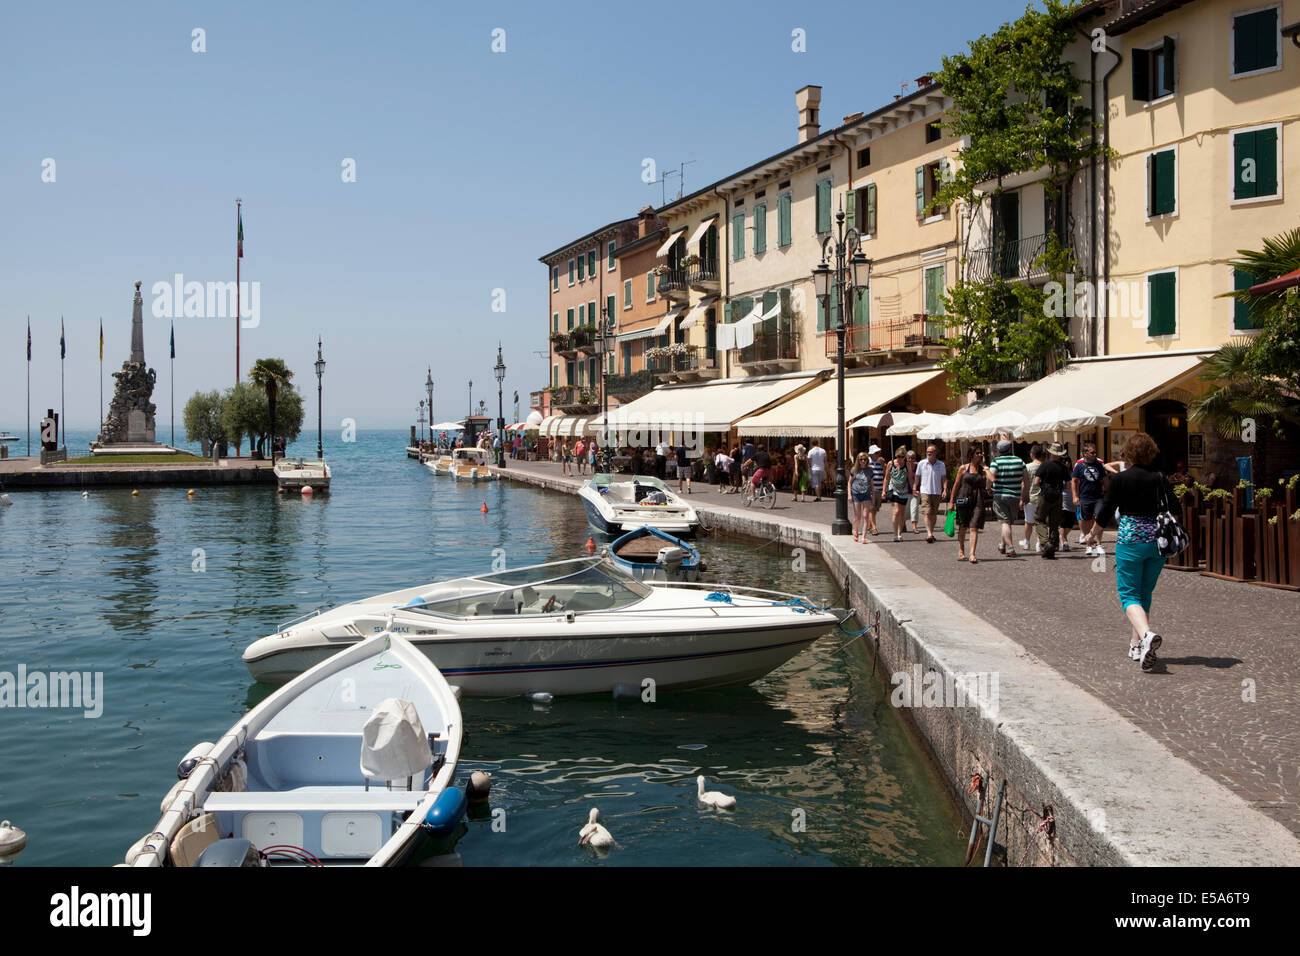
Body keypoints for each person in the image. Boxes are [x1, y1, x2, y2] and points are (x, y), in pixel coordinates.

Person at [1086, 432, 1173, 672]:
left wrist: (1092, 534)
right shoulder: (1159, 478)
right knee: (1144, 593)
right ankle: (1137, 645)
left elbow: (1105, 511)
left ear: (1129, 453)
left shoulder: (1121, 479)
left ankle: (1145, 635)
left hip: (1131, 540)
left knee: (1128, 595)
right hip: (1157, 543)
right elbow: (1175, 508)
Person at [988, 439, 1028, 557]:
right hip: (1015, 496)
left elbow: (991, 477)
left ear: (999, 450)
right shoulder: (1020, 461)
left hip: (1000, 495)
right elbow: (1026, 480)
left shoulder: (996, 462)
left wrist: (988, 487)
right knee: (1007, 522)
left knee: (1005, 522)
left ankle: (1010, 548)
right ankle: (1002, 545)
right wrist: (1025, 495)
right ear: (1010, 449)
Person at [949, 446, 988, 563]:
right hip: (963, 498)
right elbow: (956, 485)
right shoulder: (963, 468)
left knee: (974, 526)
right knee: (963, 526)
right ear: (971, 455)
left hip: (978, 500)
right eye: (977, 453)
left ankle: (972, 554)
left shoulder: (983, 469)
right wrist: (951, 501)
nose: (979, 455)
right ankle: (961, 549)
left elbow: (991, 479)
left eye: (980, 453)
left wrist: (986, 469)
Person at [1033, 442, 1071, 558]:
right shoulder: (1063, 467)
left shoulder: (1044, 465)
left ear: (1050, 453)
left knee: (1039, 519)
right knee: (1054, 523)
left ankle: (1045, 542)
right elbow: (1067, 486)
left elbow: (1036, 482)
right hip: (1058, 496)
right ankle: (1053, 546)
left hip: (1045, 495)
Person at [1072, 441, 1109, 556]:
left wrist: (1107, 489)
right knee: (1086, 520)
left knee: (1099, 518)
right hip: (1085, 497)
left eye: (1095, 453)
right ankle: (1089, 544)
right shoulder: (1079, 466)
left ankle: (1099, 544)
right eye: (1092, 453)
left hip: (1098, 496)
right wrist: (1075, 496)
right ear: (1085, 453)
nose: (1094, 455)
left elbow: (1104, 478)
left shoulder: (1099, 465)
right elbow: (1074, 481)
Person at [913, 444, 947, 543]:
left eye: (931, 452)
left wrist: (945, 489)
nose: (928, 453)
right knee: (927, 512)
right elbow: (917, 476)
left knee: (934, 513)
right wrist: (915, 487)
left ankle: (931, 532)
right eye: (927, 452)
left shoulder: (941, 464)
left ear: (936, 453)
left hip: (936, 491)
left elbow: (944, 478)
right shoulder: (921, 463)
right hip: (925, 491)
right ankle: (929, 533)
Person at [883, 447, 912, 541]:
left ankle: (900, 533)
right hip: (894, 489)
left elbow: (910, 478)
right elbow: (886, 478)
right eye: (898, 456)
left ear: (905, 457)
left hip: (904, 490)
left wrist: (914, 488)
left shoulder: (907, 465)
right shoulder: (891, 464)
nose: (899, 458)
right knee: (896, 511)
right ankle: (895, 534)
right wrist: (884, 490)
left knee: (902, 513)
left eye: (902, 457)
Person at [1020, 444, 1043, 552]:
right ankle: (1039, 543)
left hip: (1029, 497)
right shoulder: (1044, 466)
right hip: (1042, 498)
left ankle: (1027, 542)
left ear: (1032, 454)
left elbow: (1024, 484)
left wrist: (1022, 498)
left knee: (1028, 522)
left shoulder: (1027, 467)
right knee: (1040, 522)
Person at [850, 452, 874, 541]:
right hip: (856, 493)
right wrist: (849, 495)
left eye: (865, 459)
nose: (863, 461)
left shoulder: (870, 470)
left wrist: (873, 496)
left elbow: (872, 484)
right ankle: (855, 529)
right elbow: (849, 482)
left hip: (866, 494)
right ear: (858, 460)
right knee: (857, 516)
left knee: (865, 516)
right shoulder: (854, 470)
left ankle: (864, 536)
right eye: (861, 459)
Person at [868, 444, 887, 535]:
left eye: (878, 453)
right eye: (876, 453)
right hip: (871, 489)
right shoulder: (867, 462)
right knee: (871, 508)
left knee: (875, 509)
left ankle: (870, 524)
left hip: (879, 489)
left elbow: (886, 474)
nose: (878, 454)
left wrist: (883, 465)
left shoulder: (881, 462)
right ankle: (874, 527)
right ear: (871, 454)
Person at [905, 450, 921, 533]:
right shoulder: (903, 466)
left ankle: (914, 527)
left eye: (912, 458)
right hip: (905, 491)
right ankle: (902, 524)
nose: (910, 460)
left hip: (916, 491)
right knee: (906, 510)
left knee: (914, 508)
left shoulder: (919, 466)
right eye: (909, 458)